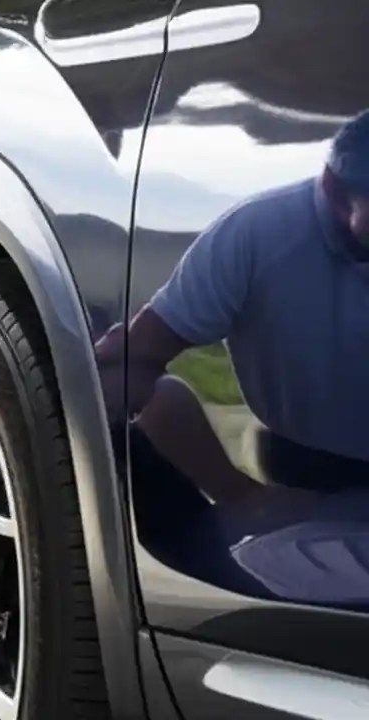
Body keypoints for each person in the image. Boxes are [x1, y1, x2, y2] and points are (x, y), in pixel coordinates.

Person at [93, 108, 369, 605]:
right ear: (331, 184)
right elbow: (132, 364)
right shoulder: (256, 235)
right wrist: (239, 494)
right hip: (297, 469)